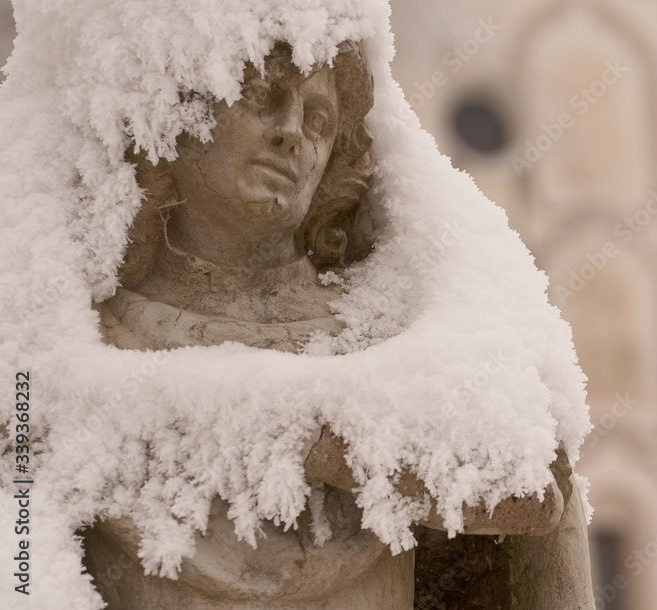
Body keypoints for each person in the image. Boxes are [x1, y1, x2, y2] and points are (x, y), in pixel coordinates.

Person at [85, 41, 568, 609]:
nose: (292, 132)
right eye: (262, 97)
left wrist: (292, 426)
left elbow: (520, 488)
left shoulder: (380, 332)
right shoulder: (82, 342)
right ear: (180, 113)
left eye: (318, 119)